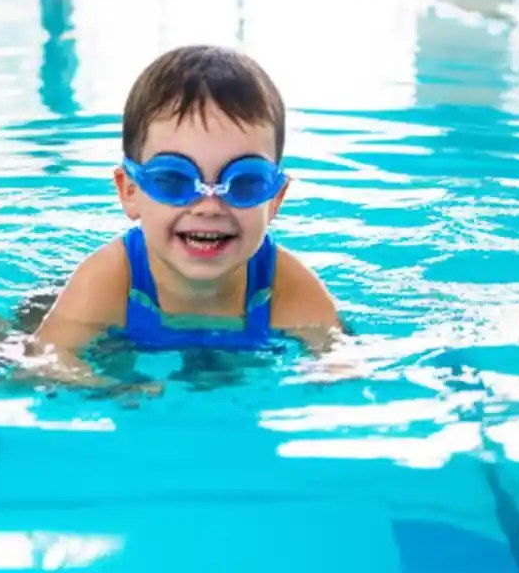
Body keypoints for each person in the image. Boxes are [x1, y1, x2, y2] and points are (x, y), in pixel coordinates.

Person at [28, 45, 344, 380]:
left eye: (245, 182)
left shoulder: (284, 286)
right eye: (174, 180)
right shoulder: (109, 280)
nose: (209, 207)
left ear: (275, 199)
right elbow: (48, 359)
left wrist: (332, 372)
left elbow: (339, 356)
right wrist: (106, 388)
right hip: (100, 326)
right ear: (130, 192)